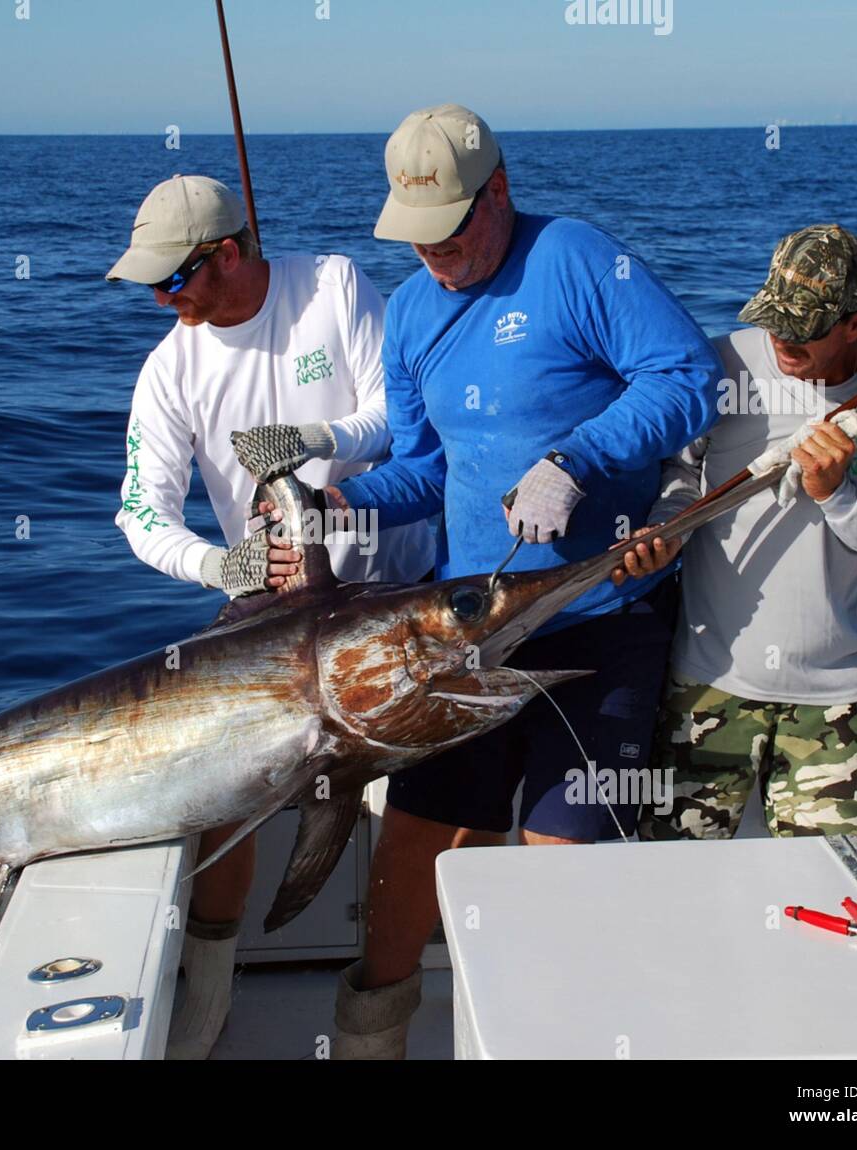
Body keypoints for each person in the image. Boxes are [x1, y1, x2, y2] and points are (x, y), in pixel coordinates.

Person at [314, 104, 722, 1058]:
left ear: (498, 190)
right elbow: (426, 470)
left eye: (451, 232)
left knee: (561, 862)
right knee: (418, 842)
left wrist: (576, 459)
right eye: (415, 240)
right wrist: (343, 504)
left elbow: (686, 375)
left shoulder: (577, 259)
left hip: (599, 620)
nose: (436, 258)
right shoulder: (410, 312)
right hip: (468, 633)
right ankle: (371, 1039)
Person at [108, 174, 434, 1058]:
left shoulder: (330, 285)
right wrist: (225, 563)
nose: (161, 302)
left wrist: (316, 445)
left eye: (173, 281)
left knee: (428, 799)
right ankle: (209, 995)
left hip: (393, 584)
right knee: (223, 797)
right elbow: (140, 514)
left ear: (227, 253)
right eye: (149, 287)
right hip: (270, 599)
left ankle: (381, 1011)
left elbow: (395, 419)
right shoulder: (171, 365)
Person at [633, 224, 857, 841]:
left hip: (834, 697)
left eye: (803, 328)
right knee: (671, 889)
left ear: (856, 323)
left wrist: (839, 495)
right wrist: (665, 528)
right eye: (773, 318)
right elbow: (680, 470)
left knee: (851, 904)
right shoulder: (725, 366)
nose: (781, 339)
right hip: (706, 684)